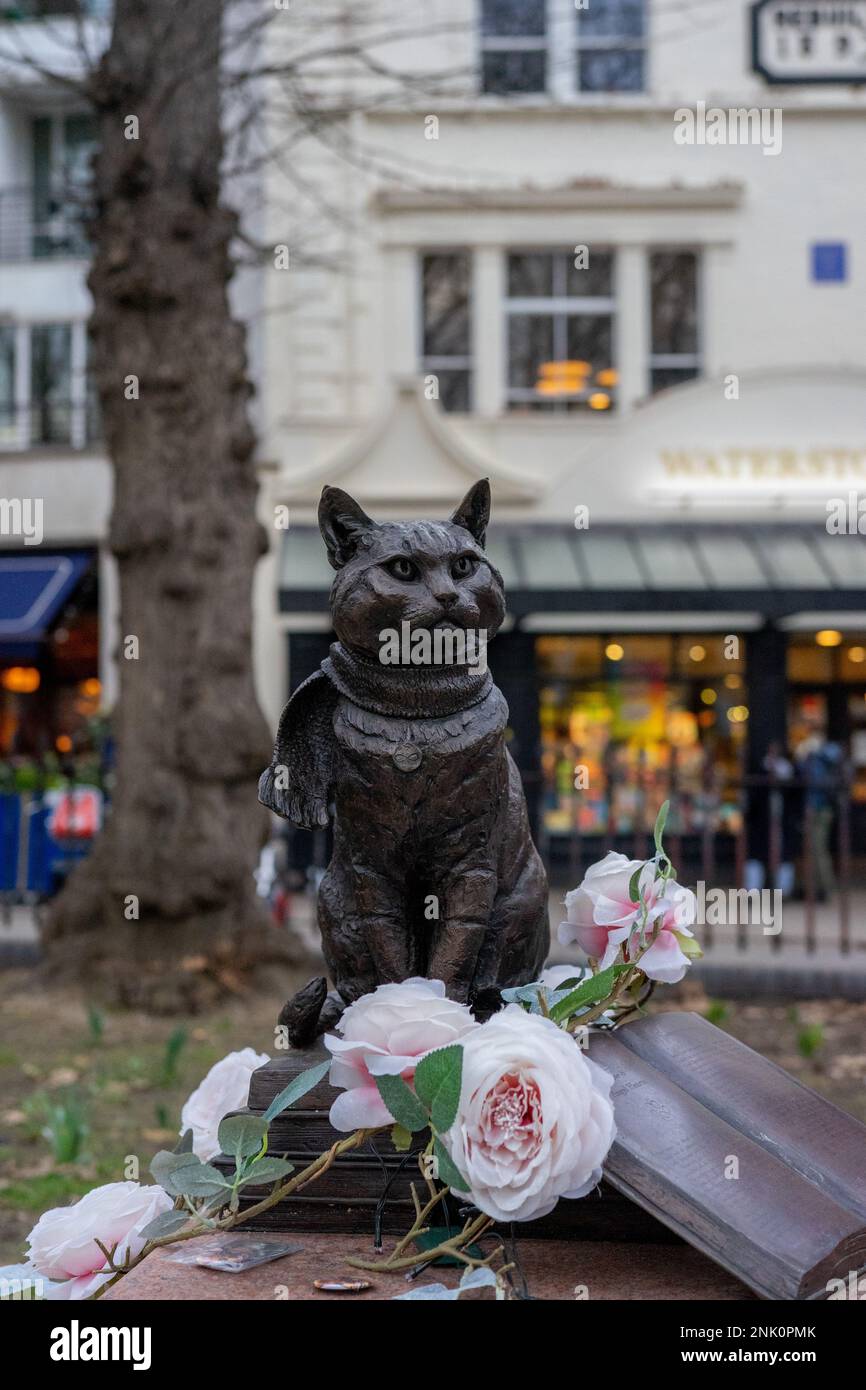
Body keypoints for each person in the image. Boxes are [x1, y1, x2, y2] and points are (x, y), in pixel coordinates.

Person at [795, 734, 842, 902]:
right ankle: (816, 886)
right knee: (817, 849)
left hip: (816, 810)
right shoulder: (826, 760)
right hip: (823, 810)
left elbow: (810, 782)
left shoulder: (814, 763)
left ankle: (823, 887)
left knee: (817, 850)